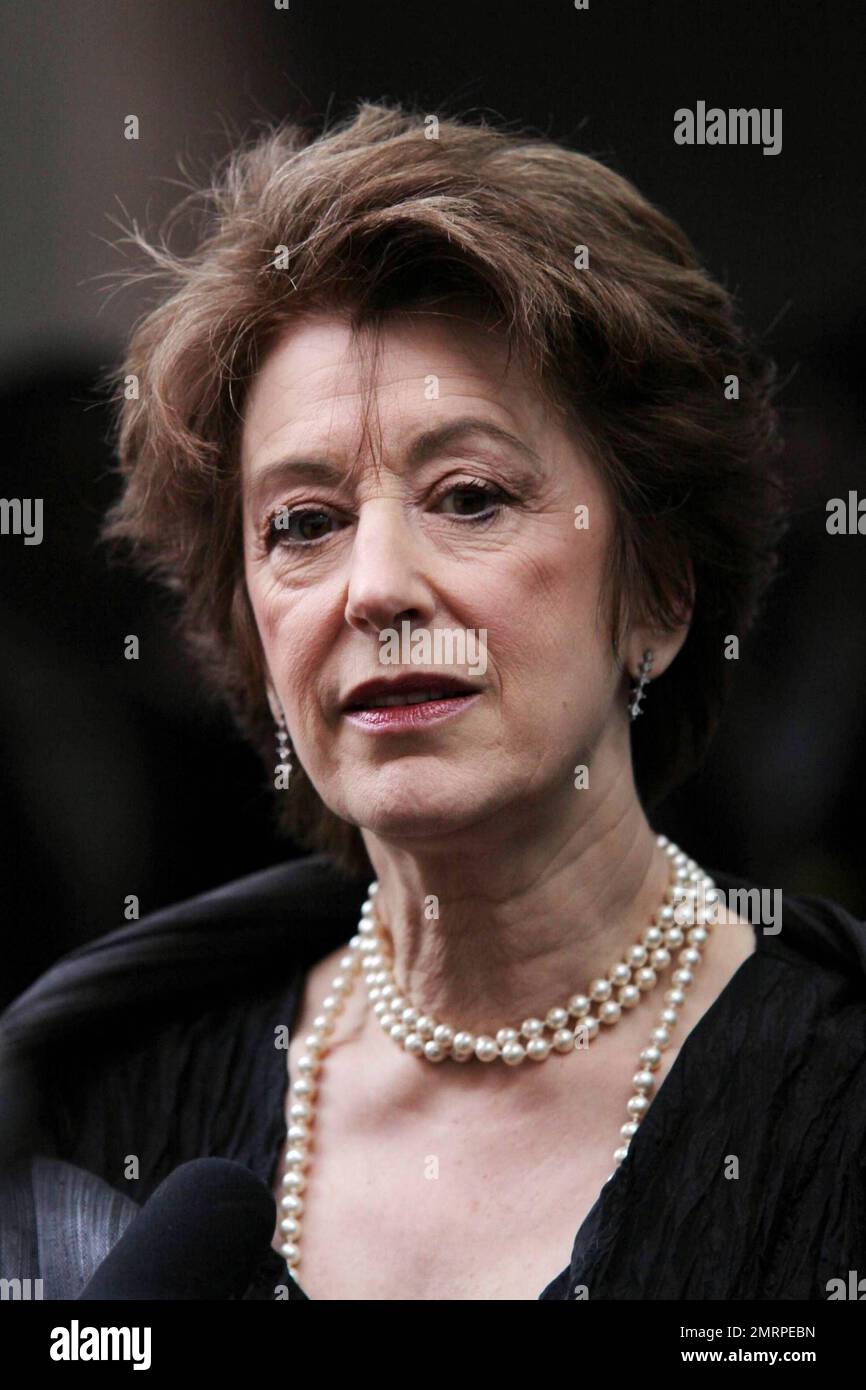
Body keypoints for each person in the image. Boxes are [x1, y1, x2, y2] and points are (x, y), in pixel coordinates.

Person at [1, 100, 864, 1302]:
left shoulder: (832, 1096)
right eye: (301, 524)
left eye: (468, 497)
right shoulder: (98, 1095)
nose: (376, 588)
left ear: (659, 592)